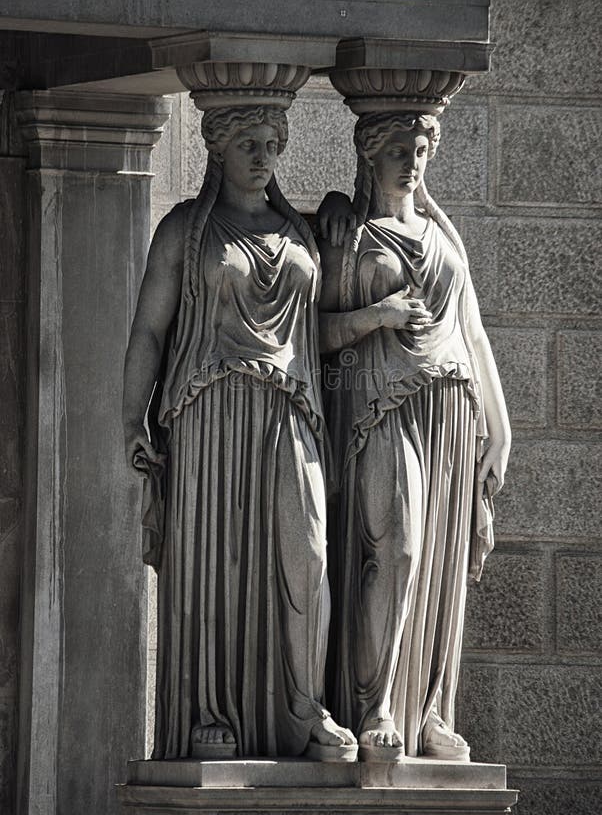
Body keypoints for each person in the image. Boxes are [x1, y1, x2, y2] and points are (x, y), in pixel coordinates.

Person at [123, 101, 356, 761]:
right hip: (211, 410)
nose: (263, 155)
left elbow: (347, 278)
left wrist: (340, 201)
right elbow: (148, 330)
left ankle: (304, 709)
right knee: (214, 564)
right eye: (248, 142)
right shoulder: (185, 232)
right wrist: (130, 418)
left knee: (306, 557)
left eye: (272, 142)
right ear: (217, 149)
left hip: (291, 410)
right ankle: (209, 711)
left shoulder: (300, 233)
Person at [318, 111, 511, 762]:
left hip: (450, 408)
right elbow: (309, 334)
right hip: (379, 403)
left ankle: (424, 708)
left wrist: (500, 428)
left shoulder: (439, 233)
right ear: (370, 153)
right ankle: (373, 704)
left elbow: (473, 332)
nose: (412, 160)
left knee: (435, 566)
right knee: (395, 549)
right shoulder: (347, 230)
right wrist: (378, 316)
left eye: (420, 148)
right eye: (398, 148)